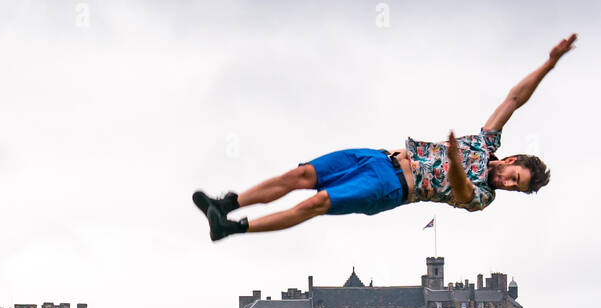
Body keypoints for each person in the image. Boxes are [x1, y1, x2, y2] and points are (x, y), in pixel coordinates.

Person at [194, 34, 576, 240]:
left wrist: (457, 163)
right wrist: (550, 63)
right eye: (515, 178)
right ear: (511, 161)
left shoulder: (484, 197)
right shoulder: (486, 145)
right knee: (301, 176)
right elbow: (513, 99)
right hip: (378, 158)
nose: (508, 185)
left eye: (515, 188)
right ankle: (227, 204)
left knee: (318, 202)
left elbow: (459, 191)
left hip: (391, 189)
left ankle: (232, 229)